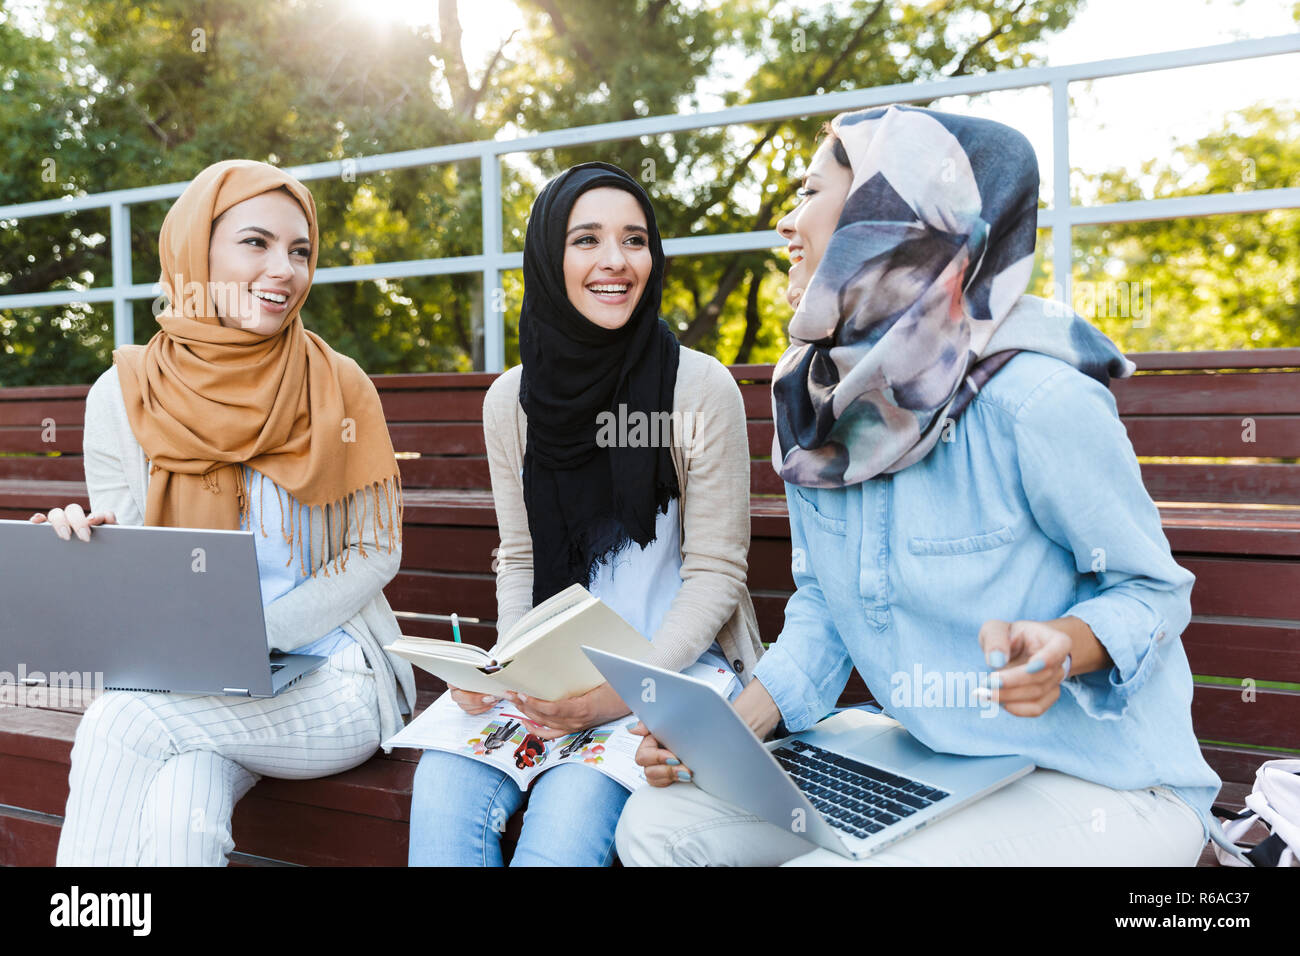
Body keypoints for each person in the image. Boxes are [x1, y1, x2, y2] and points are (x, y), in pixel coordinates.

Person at [615, 104, 1223, 867]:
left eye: (809, 191)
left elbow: (1154, 592)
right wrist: (738, 726)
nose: (785, 221)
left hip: (1103, 778)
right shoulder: (814, 403)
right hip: (937, 757)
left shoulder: (1035, 398)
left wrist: (1066, 646)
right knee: (656, 827)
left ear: (884, 216)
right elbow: (826, 608)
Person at [32, 159, 416, 866]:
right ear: (194, 249)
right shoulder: (120, 397)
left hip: (331, 681)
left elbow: (375, 550)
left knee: (122, 722)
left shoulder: (338, 385)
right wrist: (84, 548)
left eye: (300, 251)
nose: (285, 269)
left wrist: (249, 638)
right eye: (256, 243)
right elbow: (137, 567)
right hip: (192, 688)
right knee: (180, 820)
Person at [406, 162, 764, 867]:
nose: (615, 261)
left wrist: (619, 693)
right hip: (546, 676)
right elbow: (518, 556)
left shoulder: (697, 387)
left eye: (635, 240)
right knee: (441, 804)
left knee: (563, 833)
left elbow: (718, 571)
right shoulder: (512, 401)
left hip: (669, 671)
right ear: (548, 255)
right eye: (587, 240)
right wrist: (507, 665)